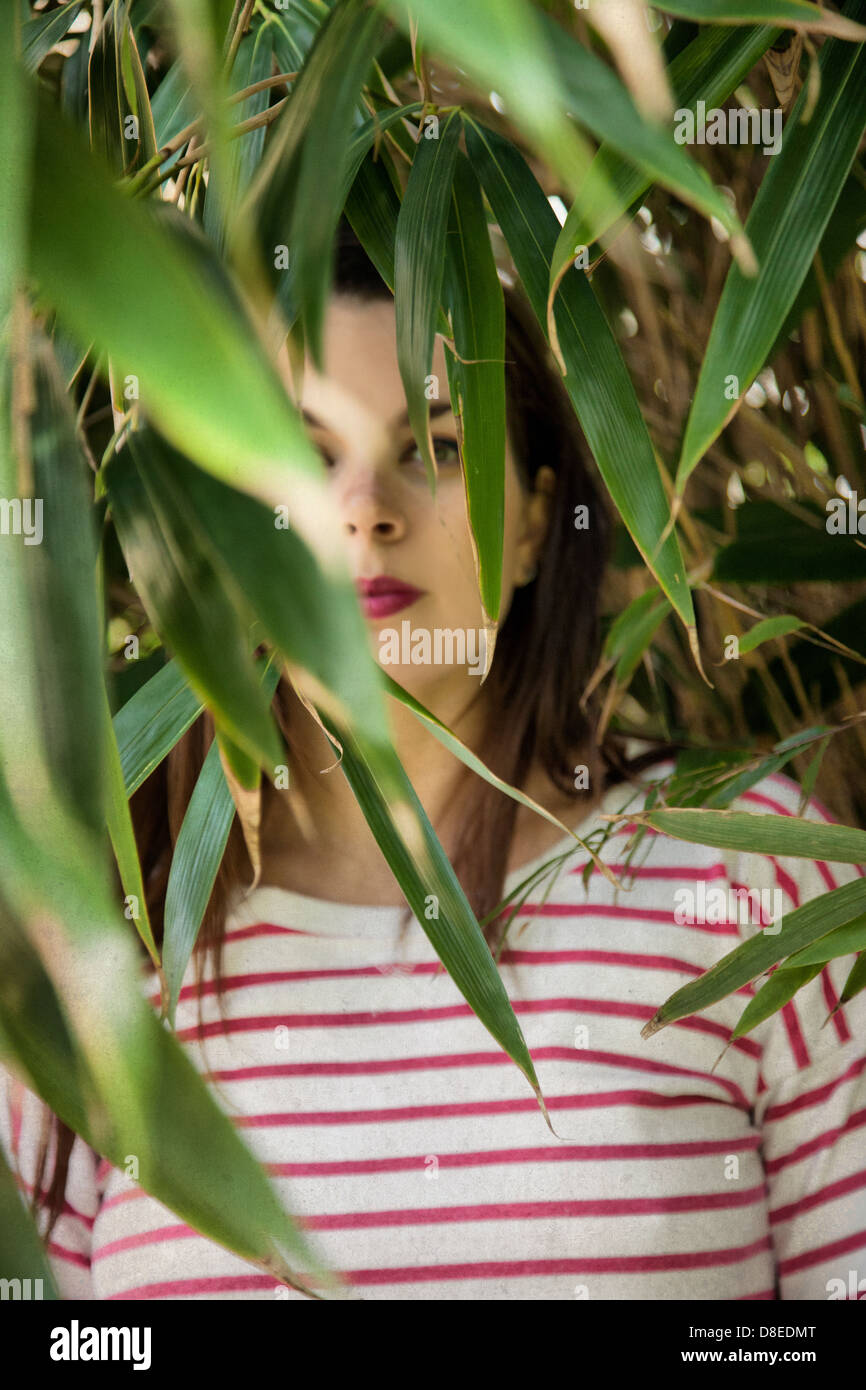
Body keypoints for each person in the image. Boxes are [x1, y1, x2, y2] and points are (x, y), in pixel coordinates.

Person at [2, 224, 864, 1301]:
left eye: (438, 447)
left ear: (536, 519)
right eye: (304, 455)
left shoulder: (762, 891)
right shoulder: (78, 948)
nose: (367, 509)